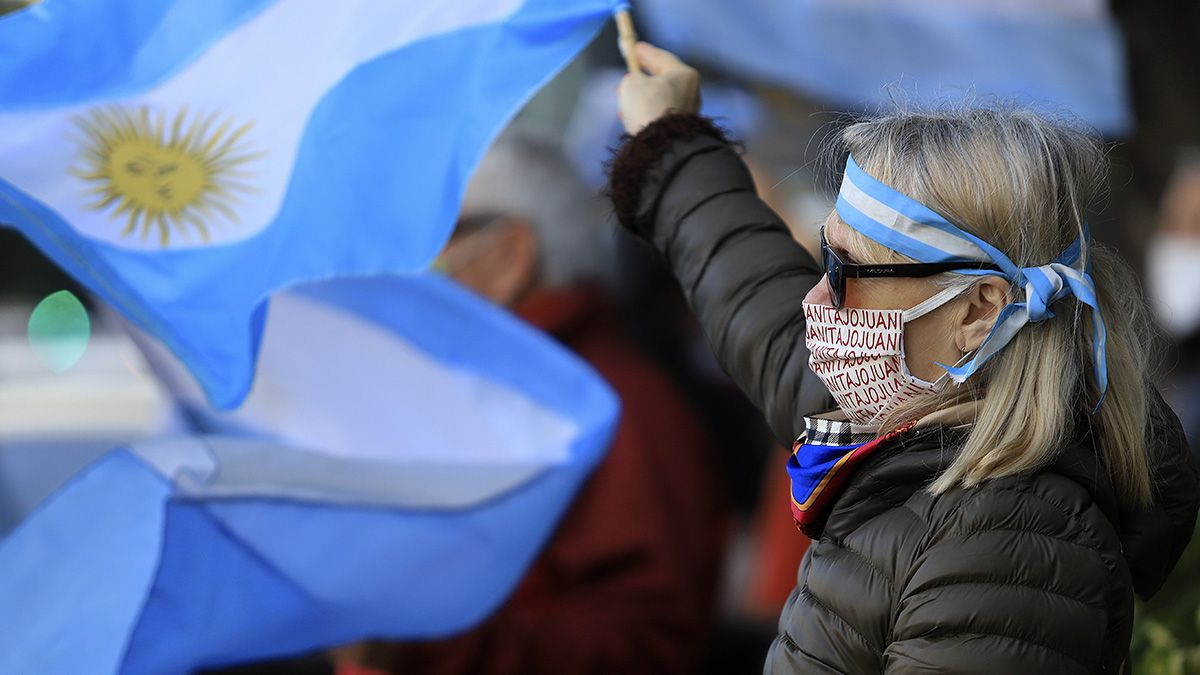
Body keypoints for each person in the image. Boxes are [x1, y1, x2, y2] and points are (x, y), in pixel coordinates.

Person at [607, 42, 1199, 673]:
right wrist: (674, 147)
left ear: (978, 309)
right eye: (825, 257)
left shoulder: (1002, 543)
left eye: (846, 271)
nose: (816, 298)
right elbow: (762, 315)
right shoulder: (914, 415)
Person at [336, 131, 730, 675]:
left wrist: (422, 643)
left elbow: (650, 641)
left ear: (509, 255)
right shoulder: (481, 384)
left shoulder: (619, 409)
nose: (413, 265)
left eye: (436, 239)